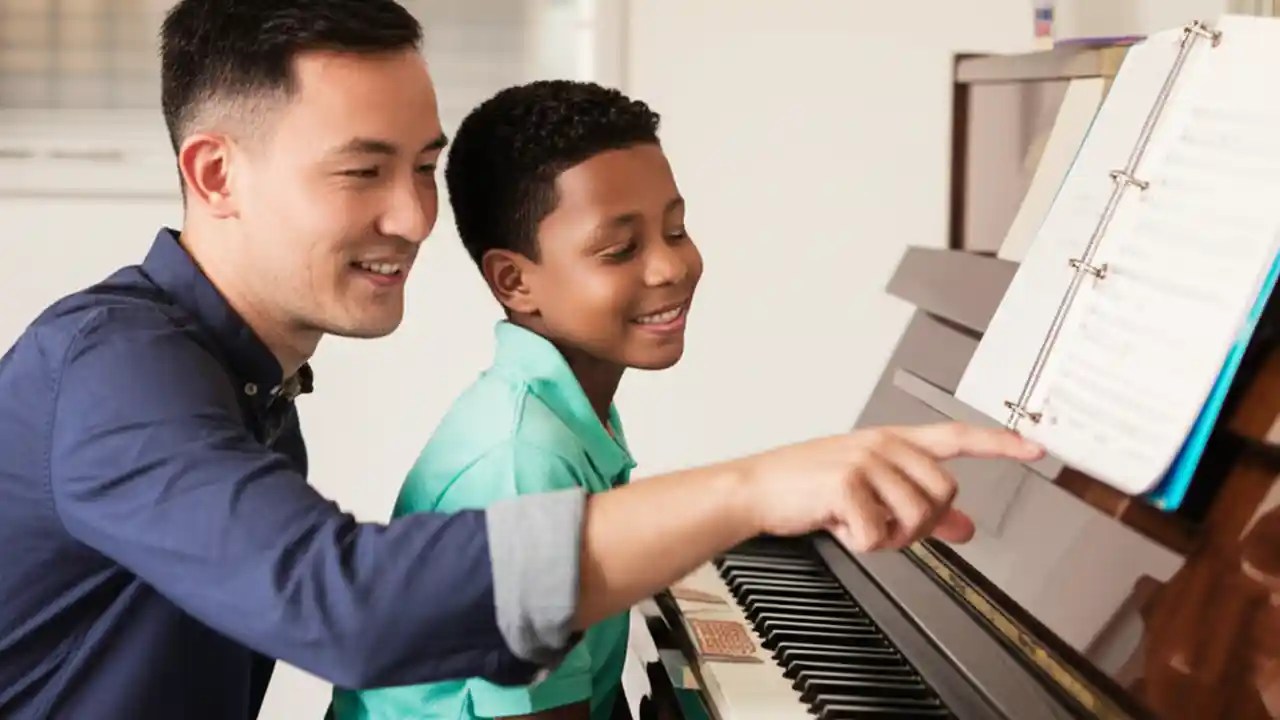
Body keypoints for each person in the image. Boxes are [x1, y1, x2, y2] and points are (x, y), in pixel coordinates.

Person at [0, 2, 1043, 719]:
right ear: (216, 172)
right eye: (363, 171)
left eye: (423, 167)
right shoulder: (114, 369)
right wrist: (751, 487)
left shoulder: (237, 375)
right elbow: (341, 604)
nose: (412, 219)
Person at [333, 79, 702, 720]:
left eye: (676, 229)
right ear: (514, 280)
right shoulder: (521, 463)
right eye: (620, 250)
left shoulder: (569, 409)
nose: (671, 266)